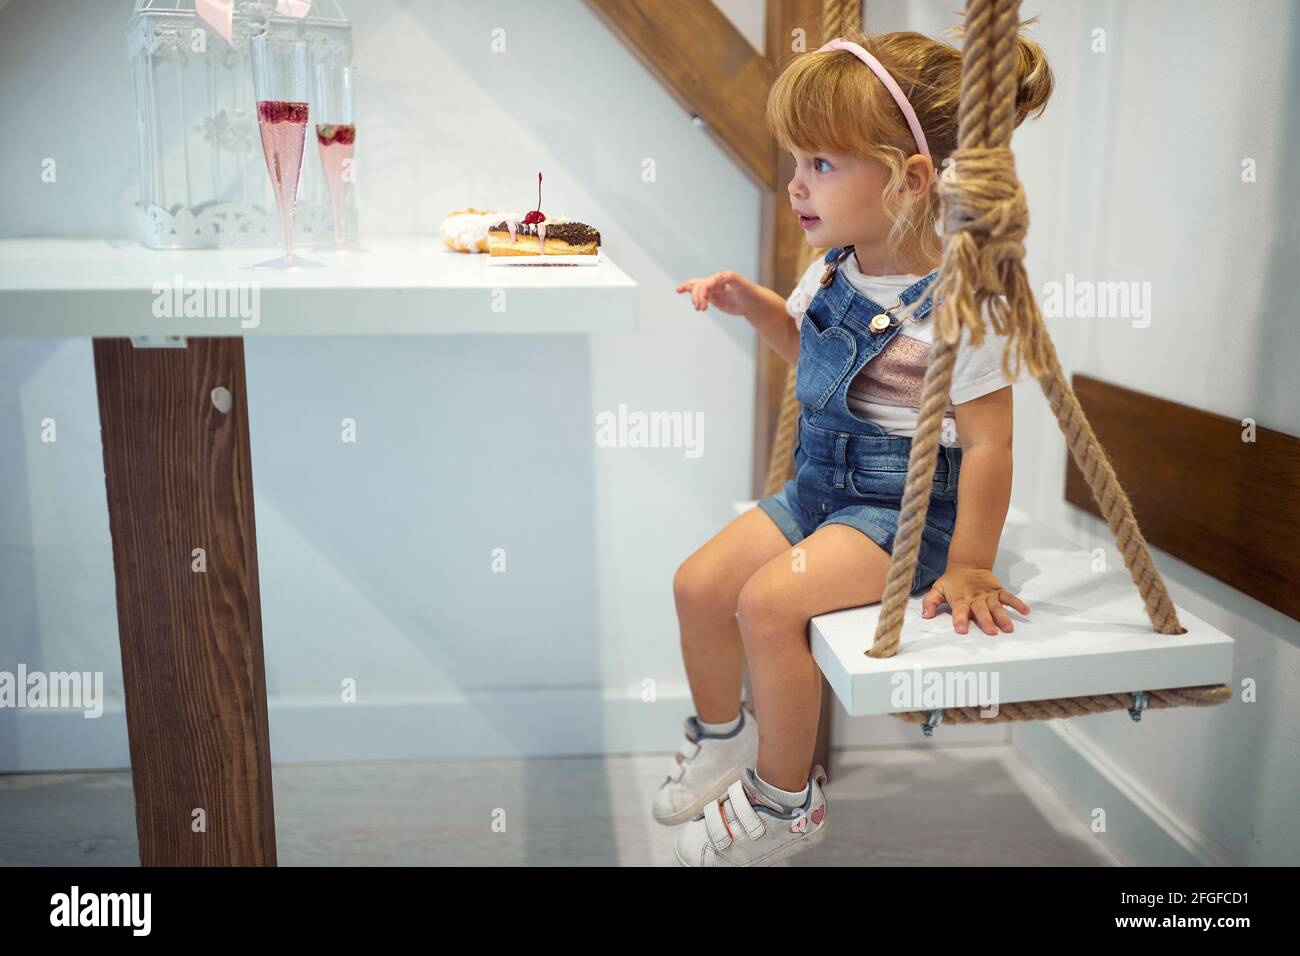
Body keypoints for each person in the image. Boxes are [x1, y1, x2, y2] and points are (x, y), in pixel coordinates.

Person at [664, 22, 1053, 866]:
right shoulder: (834, 270)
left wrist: (971, 564)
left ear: (908, 179)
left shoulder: (964, 304)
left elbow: (990, 444)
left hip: (898, 515)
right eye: (796, 161)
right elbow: (814, 358)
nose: (796, 184)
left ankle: (786, 802)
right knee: (698, 585)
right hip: (819, 488)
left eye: (822, 164)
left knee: (769, 605)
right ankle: (725, 737)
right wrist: (758, 307)